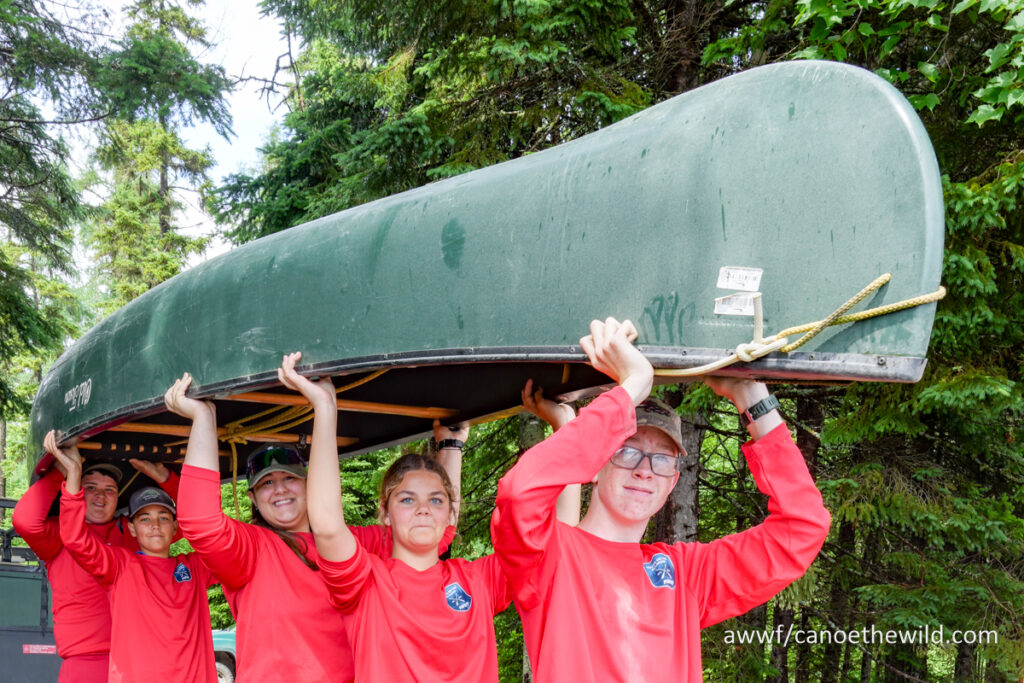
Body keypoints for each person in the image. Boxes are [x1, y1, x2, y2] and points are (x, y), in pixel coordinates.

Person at [492, 317, 832, 682]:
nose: (645, 470)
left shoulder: (685, 575)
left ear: (672, 482)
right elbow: (519, 494)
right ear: (593, 465)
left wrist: (752, 398)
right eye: (627, 451)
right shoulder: (550, 556)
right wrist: (633, 384)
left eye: (663, 459)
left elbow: (802, 529)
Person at [164, 362, 465, 683]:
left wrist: (451, 445)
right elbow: (200, 522)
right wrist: (203, 419)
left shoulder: (355, 544)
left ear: (311, 484)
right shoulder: (250, 550)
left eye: (290, 479)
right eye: (266, 483)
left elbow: (436, 533)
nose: (279, 489)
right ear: (252, 498)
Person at [279, 351, 513, 682]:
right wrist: (325, 409)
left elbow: (555, 540)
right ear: (385, 514)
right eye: (406, 499)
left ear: (450, 513)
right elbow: (328, 526)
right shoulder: (367, 582)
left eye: (435, 500)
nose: (422, 509)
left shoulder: (479, 580)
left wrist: (565, 424)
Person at [46, 430, 217, 682]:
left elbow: (210, 526)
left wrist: (165, 477)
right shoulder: (120, 567)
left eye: (163, 518)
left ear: (175, 526)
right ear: (133, 529)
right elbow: (75, 539)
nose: (155, 525)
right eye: (145, 519)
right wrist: (72, 477)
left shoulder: (196, 567)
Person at [11, 436, 179, 682]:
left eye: (109, 490)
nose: (101, 496)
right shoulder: (59, 534)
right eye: (91, 487)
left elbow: (190, 522)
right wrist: (63, 470)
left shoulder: (133, 531)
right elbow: (25, 521)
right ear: (77, 489)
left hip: (141, 659)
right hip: (85, 662)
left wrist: (164, 477)